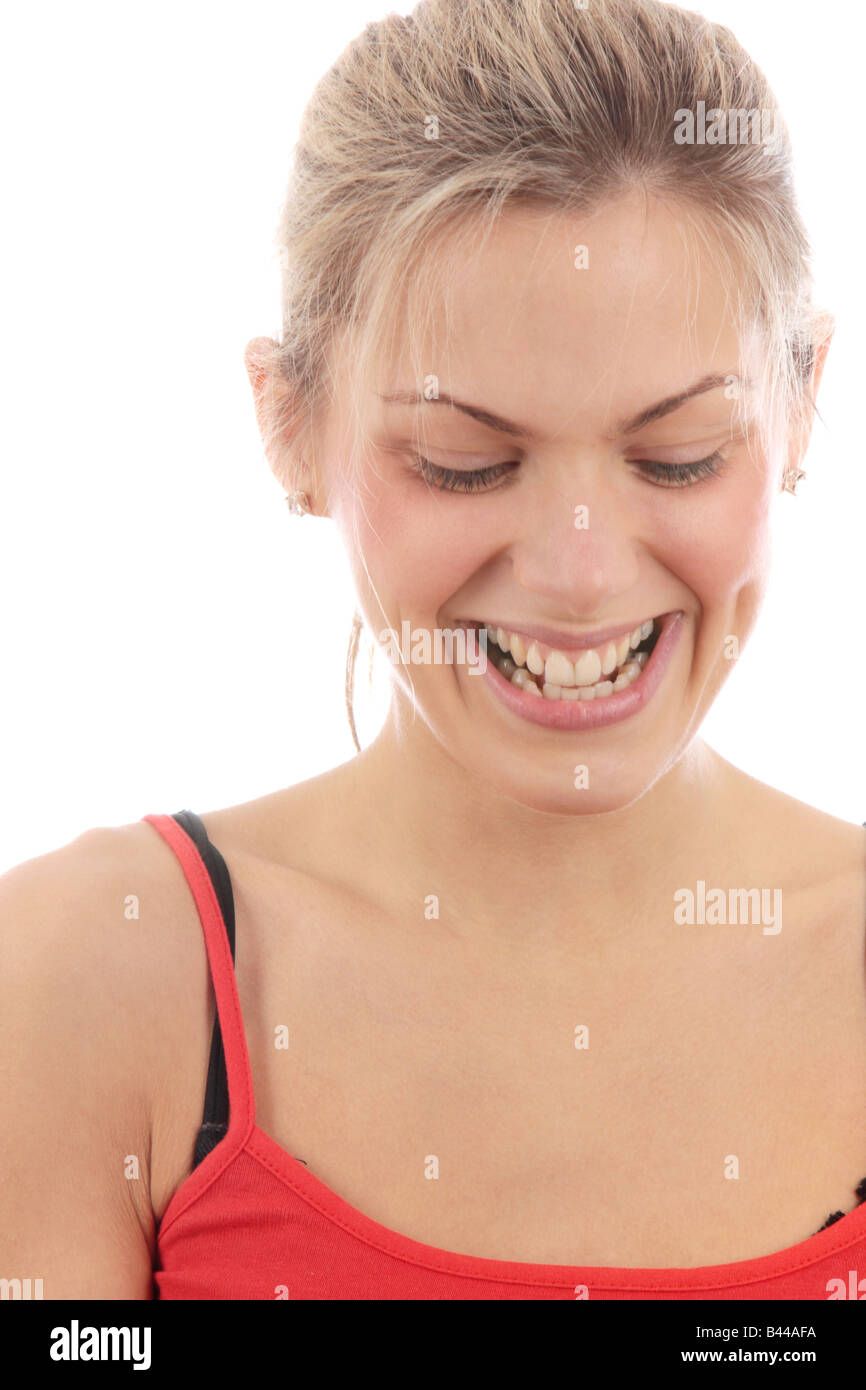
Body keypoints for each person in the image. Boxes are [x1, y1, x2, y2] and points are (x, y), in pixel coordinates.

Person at [2, 0, 865, 1301]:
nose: (579, 569)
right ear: (288, 424)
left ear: (803, 401)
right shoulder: (90, 974)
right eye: (465, 464)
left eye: (675, 455)